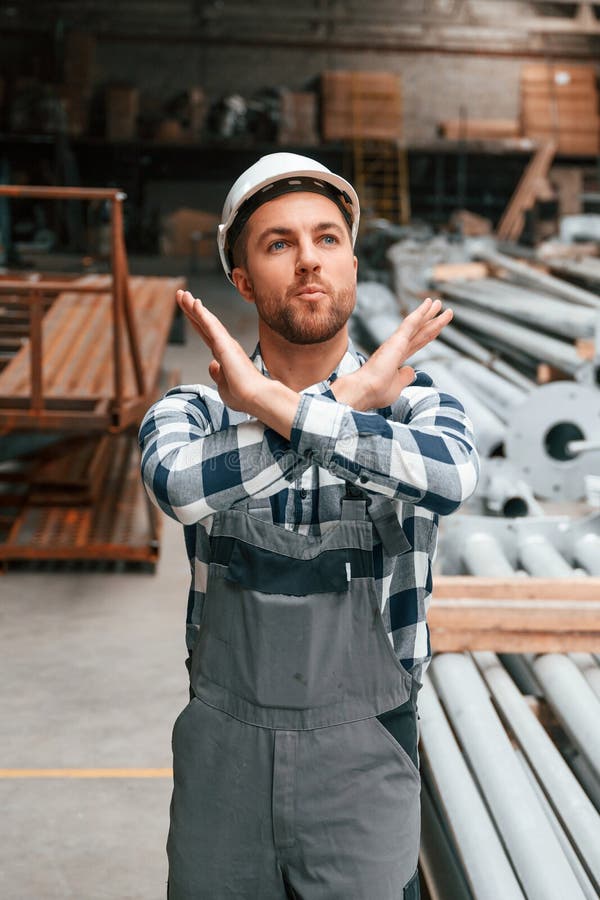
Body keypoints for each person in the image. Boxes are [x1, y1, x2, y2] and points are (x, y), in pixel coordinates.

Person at [139, 152, 480, 900]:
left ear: (353, 265)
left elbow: (452, 479)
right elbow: (180, 487)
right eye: (278, 243)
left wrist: (298, 404)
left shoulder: (420, 405)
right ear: (243, 280)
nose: (307, 261)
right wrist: (344, 403)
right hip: (224, 750)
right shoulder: (190, 413)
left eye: (327, 239)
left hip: (364, 752)